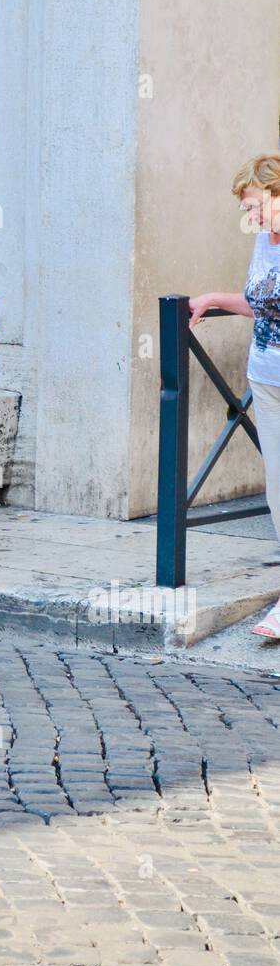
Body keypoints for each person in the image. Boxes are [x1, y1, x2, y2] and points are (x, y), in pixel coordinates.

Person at [190, 152, 280, 639]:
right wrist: (212, 299)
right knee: (278, 491)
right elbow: (258, 301)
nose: (249, 215)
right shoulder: (264, 244)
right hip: (266, 381)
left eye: (254, 204)